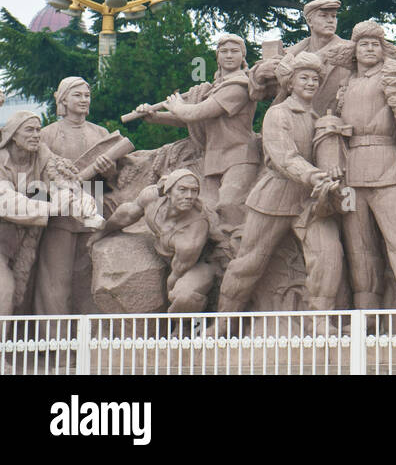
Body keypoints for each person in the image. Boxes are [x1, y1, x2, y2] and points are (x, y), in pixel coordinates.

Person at [217, 52, 345, 312]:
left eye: (315, 79)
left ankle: (320, 321)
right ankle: (223, 321)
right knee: (248, 263)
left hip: (311, 201)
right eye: (304, 78)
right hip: (274, 197)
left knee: (329, 258)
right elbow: (284, 156)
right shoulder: (278, 114)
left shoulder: (318, 119)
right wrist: (312, 174)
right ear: (291, 83)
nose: (310, 83)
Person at [335, 21, 396, 309]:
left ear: (383, 49)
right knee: (360, 250)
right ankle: (366, 317)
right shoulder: (346, 85)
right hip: (351, 172)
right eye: (363, 43)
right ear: (354, 51)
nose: (369, 48)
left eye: (375, 43)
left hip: (390, 167)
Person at [131, 33, 262, 235]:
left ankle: (239, 253)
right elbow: (191, 119)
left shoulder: (239, 87)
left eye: (235, 51)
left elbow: (196, 112)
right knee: (205, 210)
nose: (229, 55)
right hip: (214, 157)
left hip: (240, 155)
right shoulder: (213, 88)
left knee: (229, 205)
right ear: (217, 56)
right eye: (224, 51)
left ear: (243, 56)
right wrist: (154, 116)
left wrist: (177, 105)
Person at [34, 77, 126, 314]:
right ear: (63, 98)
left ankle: (88, 342)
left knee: (88, 280)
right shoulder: (47, 135)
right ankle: (54, 345)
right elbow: (36, 177)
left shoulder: (100, 132)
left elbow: (113, 181)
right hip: (59, 215)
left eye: (87, 95)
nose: (84, 100)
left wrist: (109, 171)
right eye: (78, 95)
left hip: (92, 211)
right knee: (55, 281)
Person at [88, 168, 233, 313]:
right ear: (168, 192)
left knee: (183, 297)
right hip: (162, 252)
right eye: (182, 190)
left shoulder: (194, 230)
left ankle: (188, 328)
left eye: (194, 191)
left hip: (197, 265)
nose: (189, 196)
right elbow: (126, 215)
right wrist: (102, 232)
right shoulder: (151, 197)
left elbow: (176, 275)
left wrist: (167, 310)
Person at [0, 111, 101, 315]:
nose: (36, 135)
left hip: (21, 245)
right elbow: (6, 201)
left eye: (38, 130)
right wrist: (52, 208)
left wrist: (84, 202)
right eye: (29, 130)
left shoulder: (42, 157)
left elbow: (63, 184)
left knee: (21, 303)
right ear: (13, 135)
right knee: (5, 293)